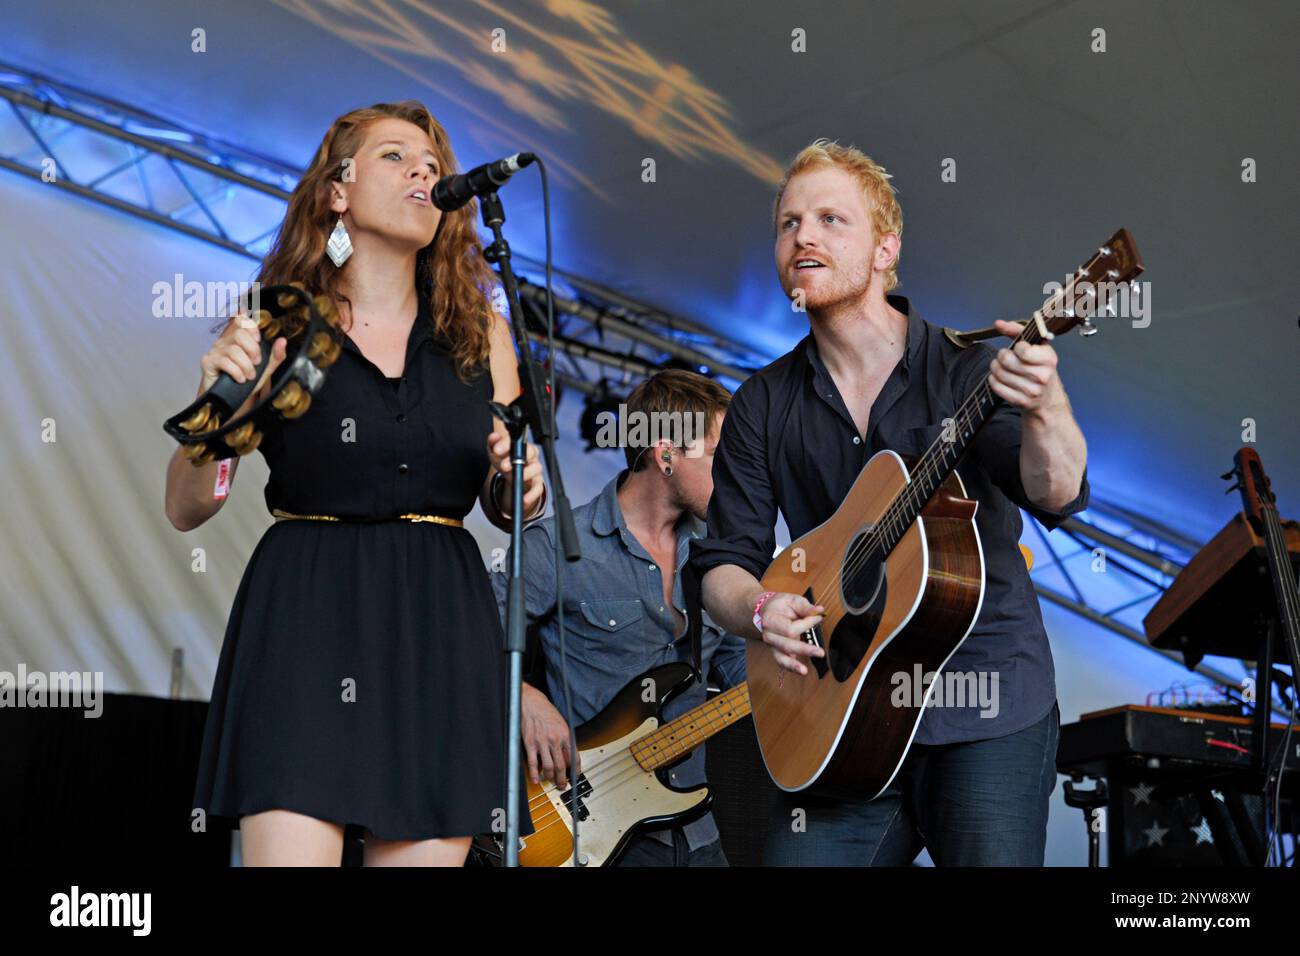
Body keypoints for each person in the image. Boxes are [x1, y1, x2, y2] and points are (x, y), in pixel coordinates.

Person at [165, 101, 545, 866]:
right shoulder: (279, 325)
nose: (424, 173)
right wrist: (221, 400)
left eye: (433, 166)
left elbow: (505, 502)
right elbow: (186, 506)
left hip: (441, 626)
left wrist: (520, 483)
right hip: (307, 619)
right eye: (396, 158)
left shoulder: (482, 335)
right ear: (337, 192)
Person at [690, 139, 1089, 866]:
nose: (802, 236)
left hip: (987, 704)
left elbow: (1056, 492)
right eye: (788, 223)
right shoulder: (760, 403)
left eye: (829, 220)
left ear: (884, 250)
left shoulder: (968, 368)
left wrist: (1048, 407)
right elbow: (722, 564)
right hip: (838, 718)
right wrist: (760, 610)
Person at [495, 370, 746, 866]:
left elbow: (740, 670)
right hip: (590, 825)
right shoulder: (560, 548)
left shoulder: (720, 559)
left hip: (698, 828)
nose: (735, 472)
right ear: (666, 454)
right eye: (721, 454)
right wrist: (523, 695)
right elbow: (466, 638)